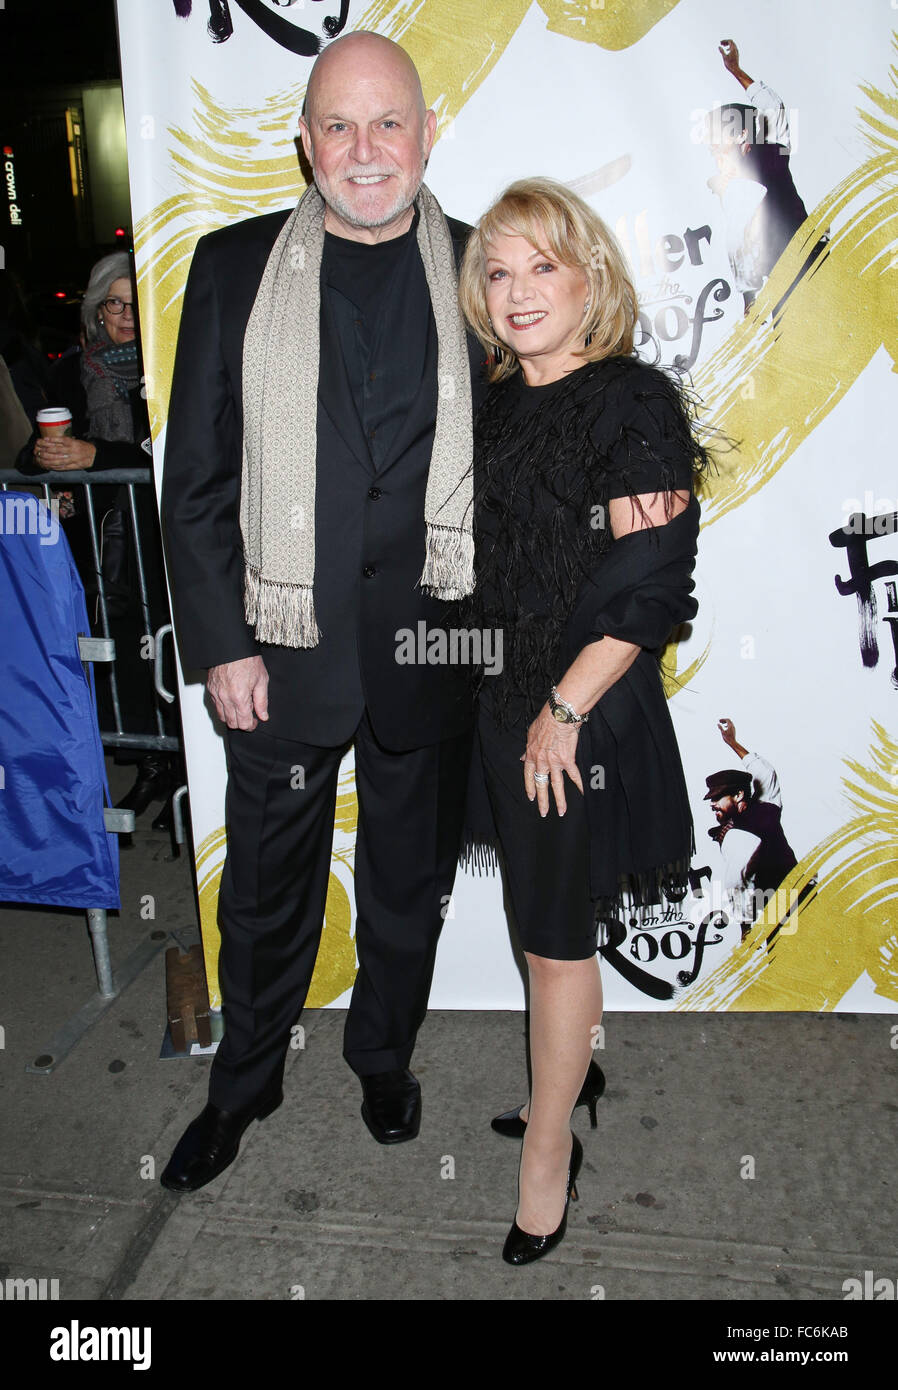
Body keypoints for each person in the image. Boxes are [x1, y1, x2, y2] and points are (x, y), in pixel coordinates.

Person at [160, 31, 484, 1193]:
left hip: (434, 643)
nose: (363, 149)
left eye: (386, 122)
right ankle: (243, 1080)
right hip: (280, 649)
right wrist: (220, 643)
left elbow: (545, 430)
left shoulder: (484, 269)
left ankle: (383, 1057)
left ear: (426, 132)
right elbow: (194, 474)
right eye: (338, 126)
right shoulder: (234, 266)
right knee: (262, 888)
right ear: (304, 142)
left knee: (408, 879)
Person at [458, 177, 708, 1264]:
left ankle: (549, 1149)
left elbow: (651, 581)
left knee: (558, 946)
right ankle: (573, 1072)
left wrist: (561, 710)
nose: (517, 293)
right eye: (498, 273)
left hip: (577, 712)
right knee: (537, 930)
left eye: (540, 267)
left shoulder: (632, 400)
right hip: (503, 703)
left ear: (590, 274)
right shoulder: (498, 398)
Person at [21, 253, 179, 826]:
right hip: (97, 544)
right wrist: (43, 456)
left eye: (136, 303)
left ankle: (184, 769)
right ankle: (148, 768)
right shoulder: (70, 371)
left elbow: (167, 451)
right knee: (121, 652)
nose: (127, 315)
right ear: (96, 310)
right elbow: (32, 447)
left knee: (165, 646)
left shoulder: (169, 362)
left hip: (159, 537)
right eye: (115, 303)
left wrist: (98, 457)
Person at [704, 39, 814, 313]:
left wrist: (736, 71)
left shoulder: (768, 154)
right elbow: (738, 246)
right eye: (711, 144)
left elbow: (773, 109)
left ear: (742, 134)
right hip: (779, 289)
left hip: (810, 269)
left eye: (719, 139)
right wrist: (749, 301)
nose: (714, 148)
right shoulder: (729, 189)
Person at [705, 716, 797, 936]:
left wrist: (733, 743)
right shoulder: (768, 807)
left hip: (793, 902)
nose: (713, 804)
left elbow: (736, 883)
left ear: (738, 794)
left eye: (718, 798)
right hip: (783, 908)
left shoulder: (736, 833)